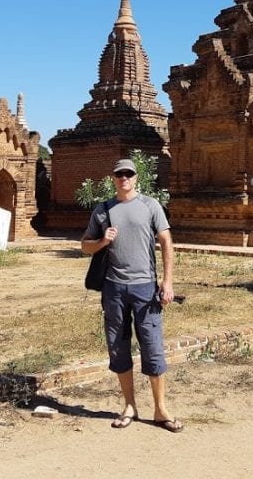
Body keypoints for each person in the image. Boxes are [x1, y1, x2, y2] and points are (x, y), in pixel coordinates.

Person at [81, 157, 182, 433]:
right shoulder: (103, 210)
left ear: (136, 178)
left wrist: (167, 281)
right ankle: (129, 405)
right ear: (113, 179)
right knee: (118, 345)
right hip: (114, 288)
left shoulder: (151, 206)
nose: (124, 178)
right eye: (119, 174)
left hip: (145, 288)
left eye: (128, 174)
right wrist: (103, 241)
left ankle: (161, 409)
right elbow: (85, 246)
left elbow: (166, 242)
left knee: (152, 345)